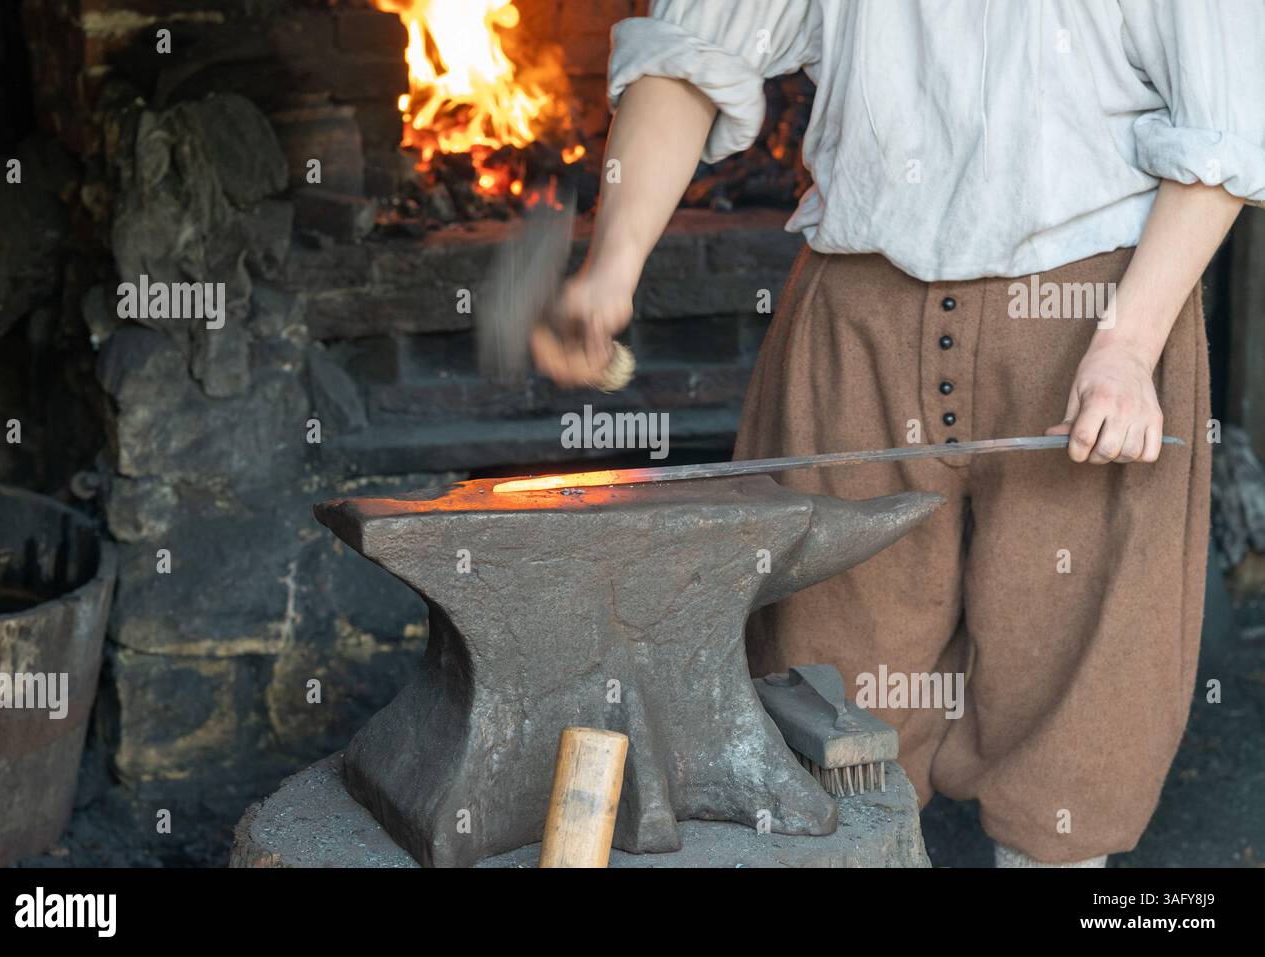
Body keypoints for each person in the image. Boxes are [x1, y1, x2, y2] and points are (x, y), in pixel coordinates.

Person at [530, 0, 1265, 867]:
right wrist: (613, 264)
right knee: (824, 687)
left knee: (1078, 709)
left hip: (1096, 320)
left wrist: (1130, 346)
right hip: (857, 328)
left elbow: (1227, 122)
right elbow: (691, 52)